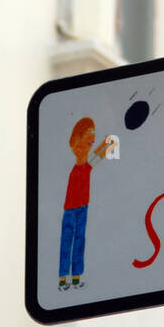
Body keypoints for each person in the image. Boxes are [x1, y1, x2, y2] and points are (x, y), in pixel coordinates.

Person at [58, 118, 115, 290]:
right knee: (68, 241)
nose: (92, 138)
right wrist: (106, 145)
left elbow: (97, 156)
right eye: (89, 134)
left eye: (93, 134)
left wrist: (107, 145)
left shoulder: (85, 167)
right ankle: (63, 279)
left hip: (83, 207)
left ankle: (75, 278)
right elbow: (96, 156)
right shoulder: (77, 170)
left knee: (79, 240)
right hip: (71, 209)